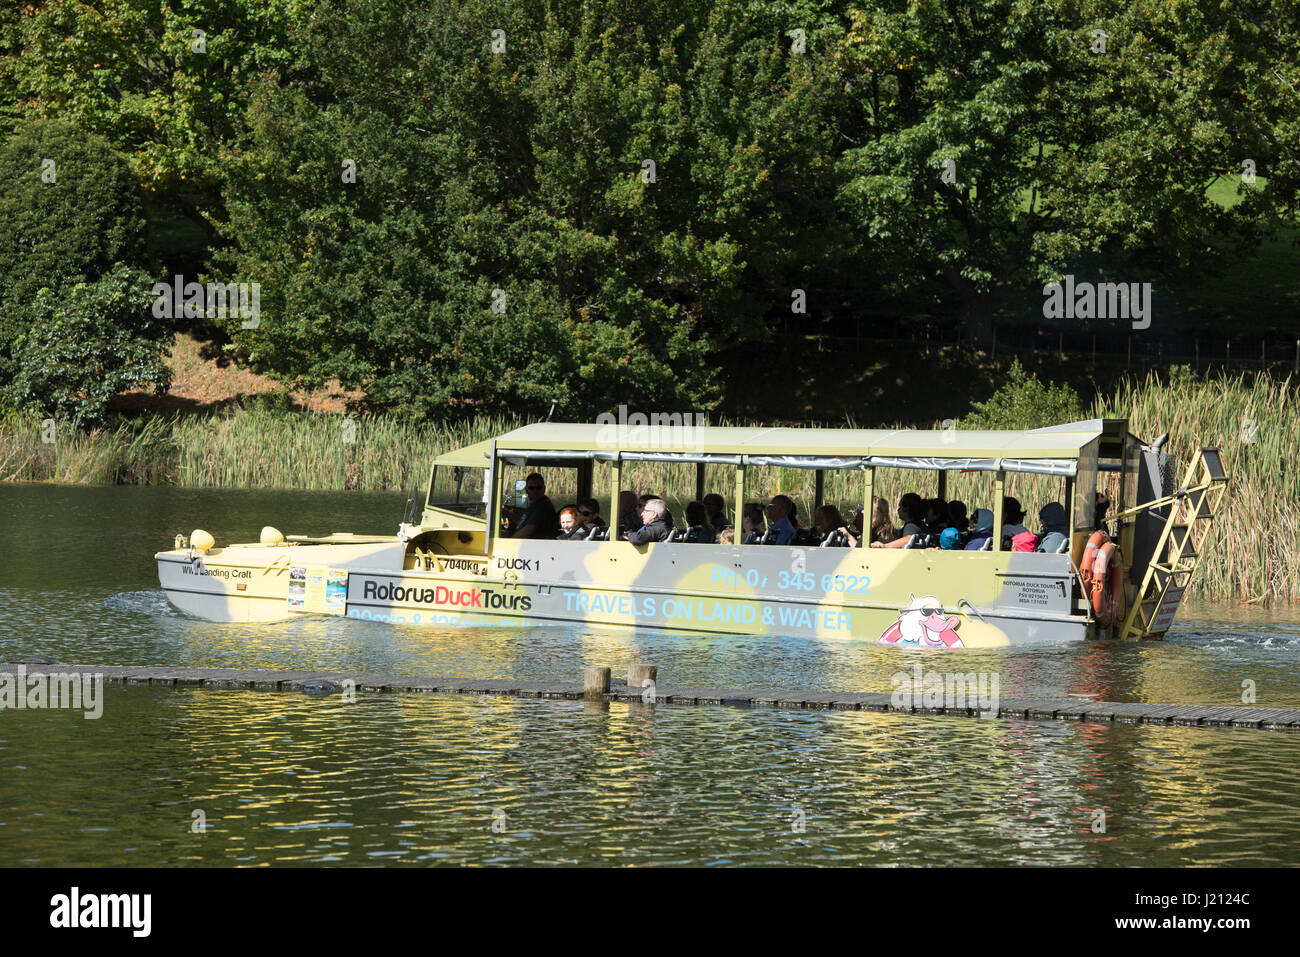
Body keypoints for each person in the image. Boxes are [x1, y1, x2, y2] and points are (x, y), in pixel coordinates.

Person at [512, 473, 556, 538]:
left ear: (544, 489)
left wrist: (509, 542)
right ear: (526, 490)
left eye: (538, 488)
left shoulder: (542, 506)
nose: (535, 491)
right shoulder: (534, 504)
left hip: (536, 545)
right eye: (531, 488)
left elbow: (528, 530)